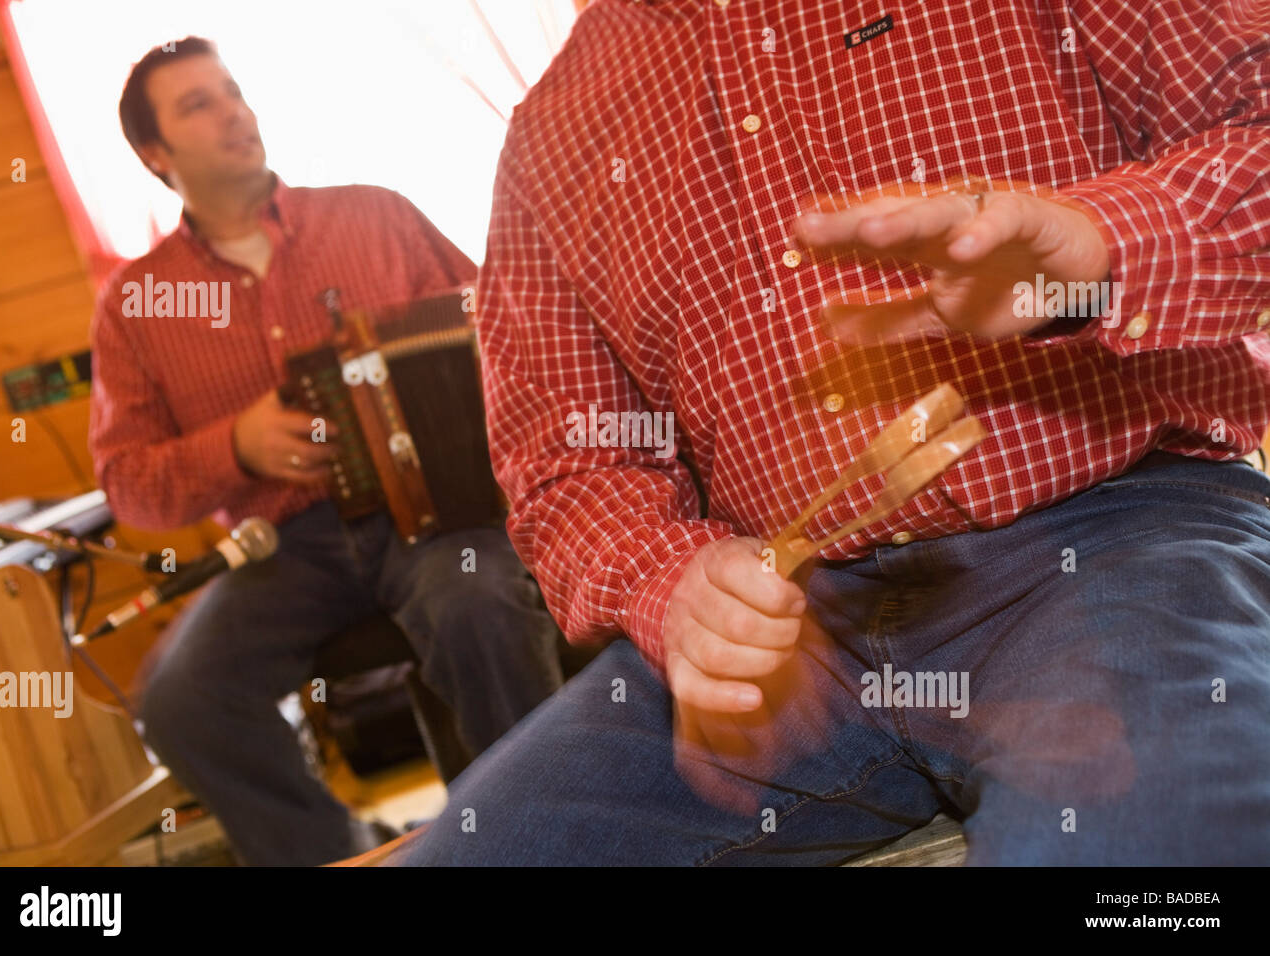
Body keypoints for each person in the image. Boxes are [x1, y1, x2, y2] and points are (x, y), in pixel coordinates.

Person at [390, 0, 1270, 865]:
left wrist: (1099, 248)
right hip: (790, 633)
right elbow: (565, 461)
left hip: (1128, 529)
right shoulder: (551, 132)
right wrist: (671, 584)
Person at [88, 37, 563, 866]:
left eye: (232, 90)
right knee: (179, 700)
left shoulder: (375, 213)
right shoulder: (134, 304)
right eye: (198, 103)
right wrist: (234, 444)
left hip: (433, 516)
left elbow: (506, 332)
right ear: (153, 153)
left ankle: (537, 839)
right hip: (285, 551)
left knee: (479, 606)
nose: (233, 110)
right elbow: (129, 488)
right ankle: (342, 855)